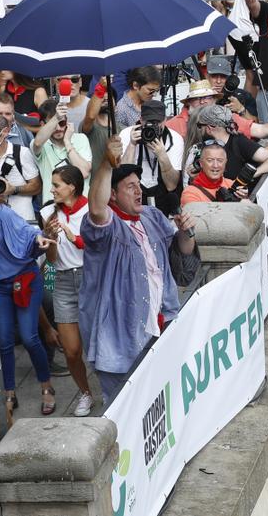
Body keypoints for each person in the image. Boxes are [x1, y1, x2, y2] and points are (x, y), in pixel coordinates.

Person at [81, 136, 200, 401]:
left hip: (162, 329)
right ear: (113, 194)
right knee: (127, 413)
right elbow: (97, 209)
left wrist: (185, 233)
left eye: (138, 185)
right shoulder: (107, 228)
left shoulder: (152, 216)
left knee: (166, 404)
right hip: (121, 341)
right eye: (129, 187)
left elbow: (183, 265)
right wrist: (106, 165)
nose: (138, 191)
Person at [0, 171, 58, 414]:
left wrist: (40, 239)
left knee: (28, 336)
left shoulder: (1, 212)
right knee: (3, 341)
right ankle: (9, 392)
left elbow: (28, 232)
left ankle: (47, 387)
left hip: (24, 278)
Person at [40, 165, 96, 416]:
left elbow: (98, 245)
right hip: (63, 280)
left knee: (99, 343)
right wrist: (49, 238)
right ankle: (85, 393)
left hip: (91, 278)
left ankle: (112, 388)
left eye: (56, 185)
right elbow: (51, 259)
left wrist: (75, 239)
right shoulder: (48, 213)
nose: (52, 189)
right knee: (72, 351)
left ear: (72, 186)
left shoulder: (91, 209)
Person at [118, 99, 184, 215]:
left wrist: (162, 155)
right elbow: (122, 178)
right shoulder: (127, 134)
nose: (153, 126)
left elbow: (171, 185)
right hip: (134, 195)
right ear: (141, 119)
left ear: (165, 120)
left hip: (162, 197)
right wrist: (132, 145)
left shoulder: (174, 139)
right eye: (149, 122)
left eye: (157, 122)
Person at [0, 113, 41, 223]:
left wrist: (13, 189)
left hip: (22, 221)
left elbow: (37, 187)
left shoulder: (21, 153)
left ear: (5, 132)